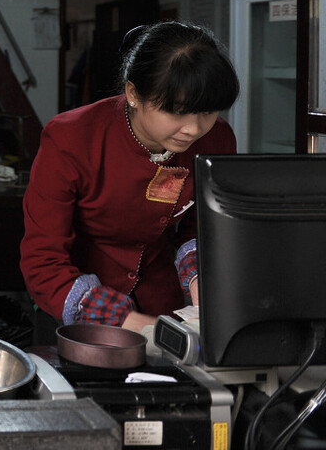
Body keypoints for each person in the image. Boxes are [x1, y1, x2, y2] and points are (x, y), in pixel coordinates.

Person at [20, 20, 239, 336]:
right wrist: (134, 324)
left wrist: (199, 286)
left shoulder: (217, 139)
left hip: (161, 298)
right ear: (134, 94)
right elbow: (42, 259)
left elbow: (202, 228)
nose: (193, 128)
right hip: (74, 301)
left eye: (208, 111)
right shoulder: (70, 138)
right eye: (177, 112)